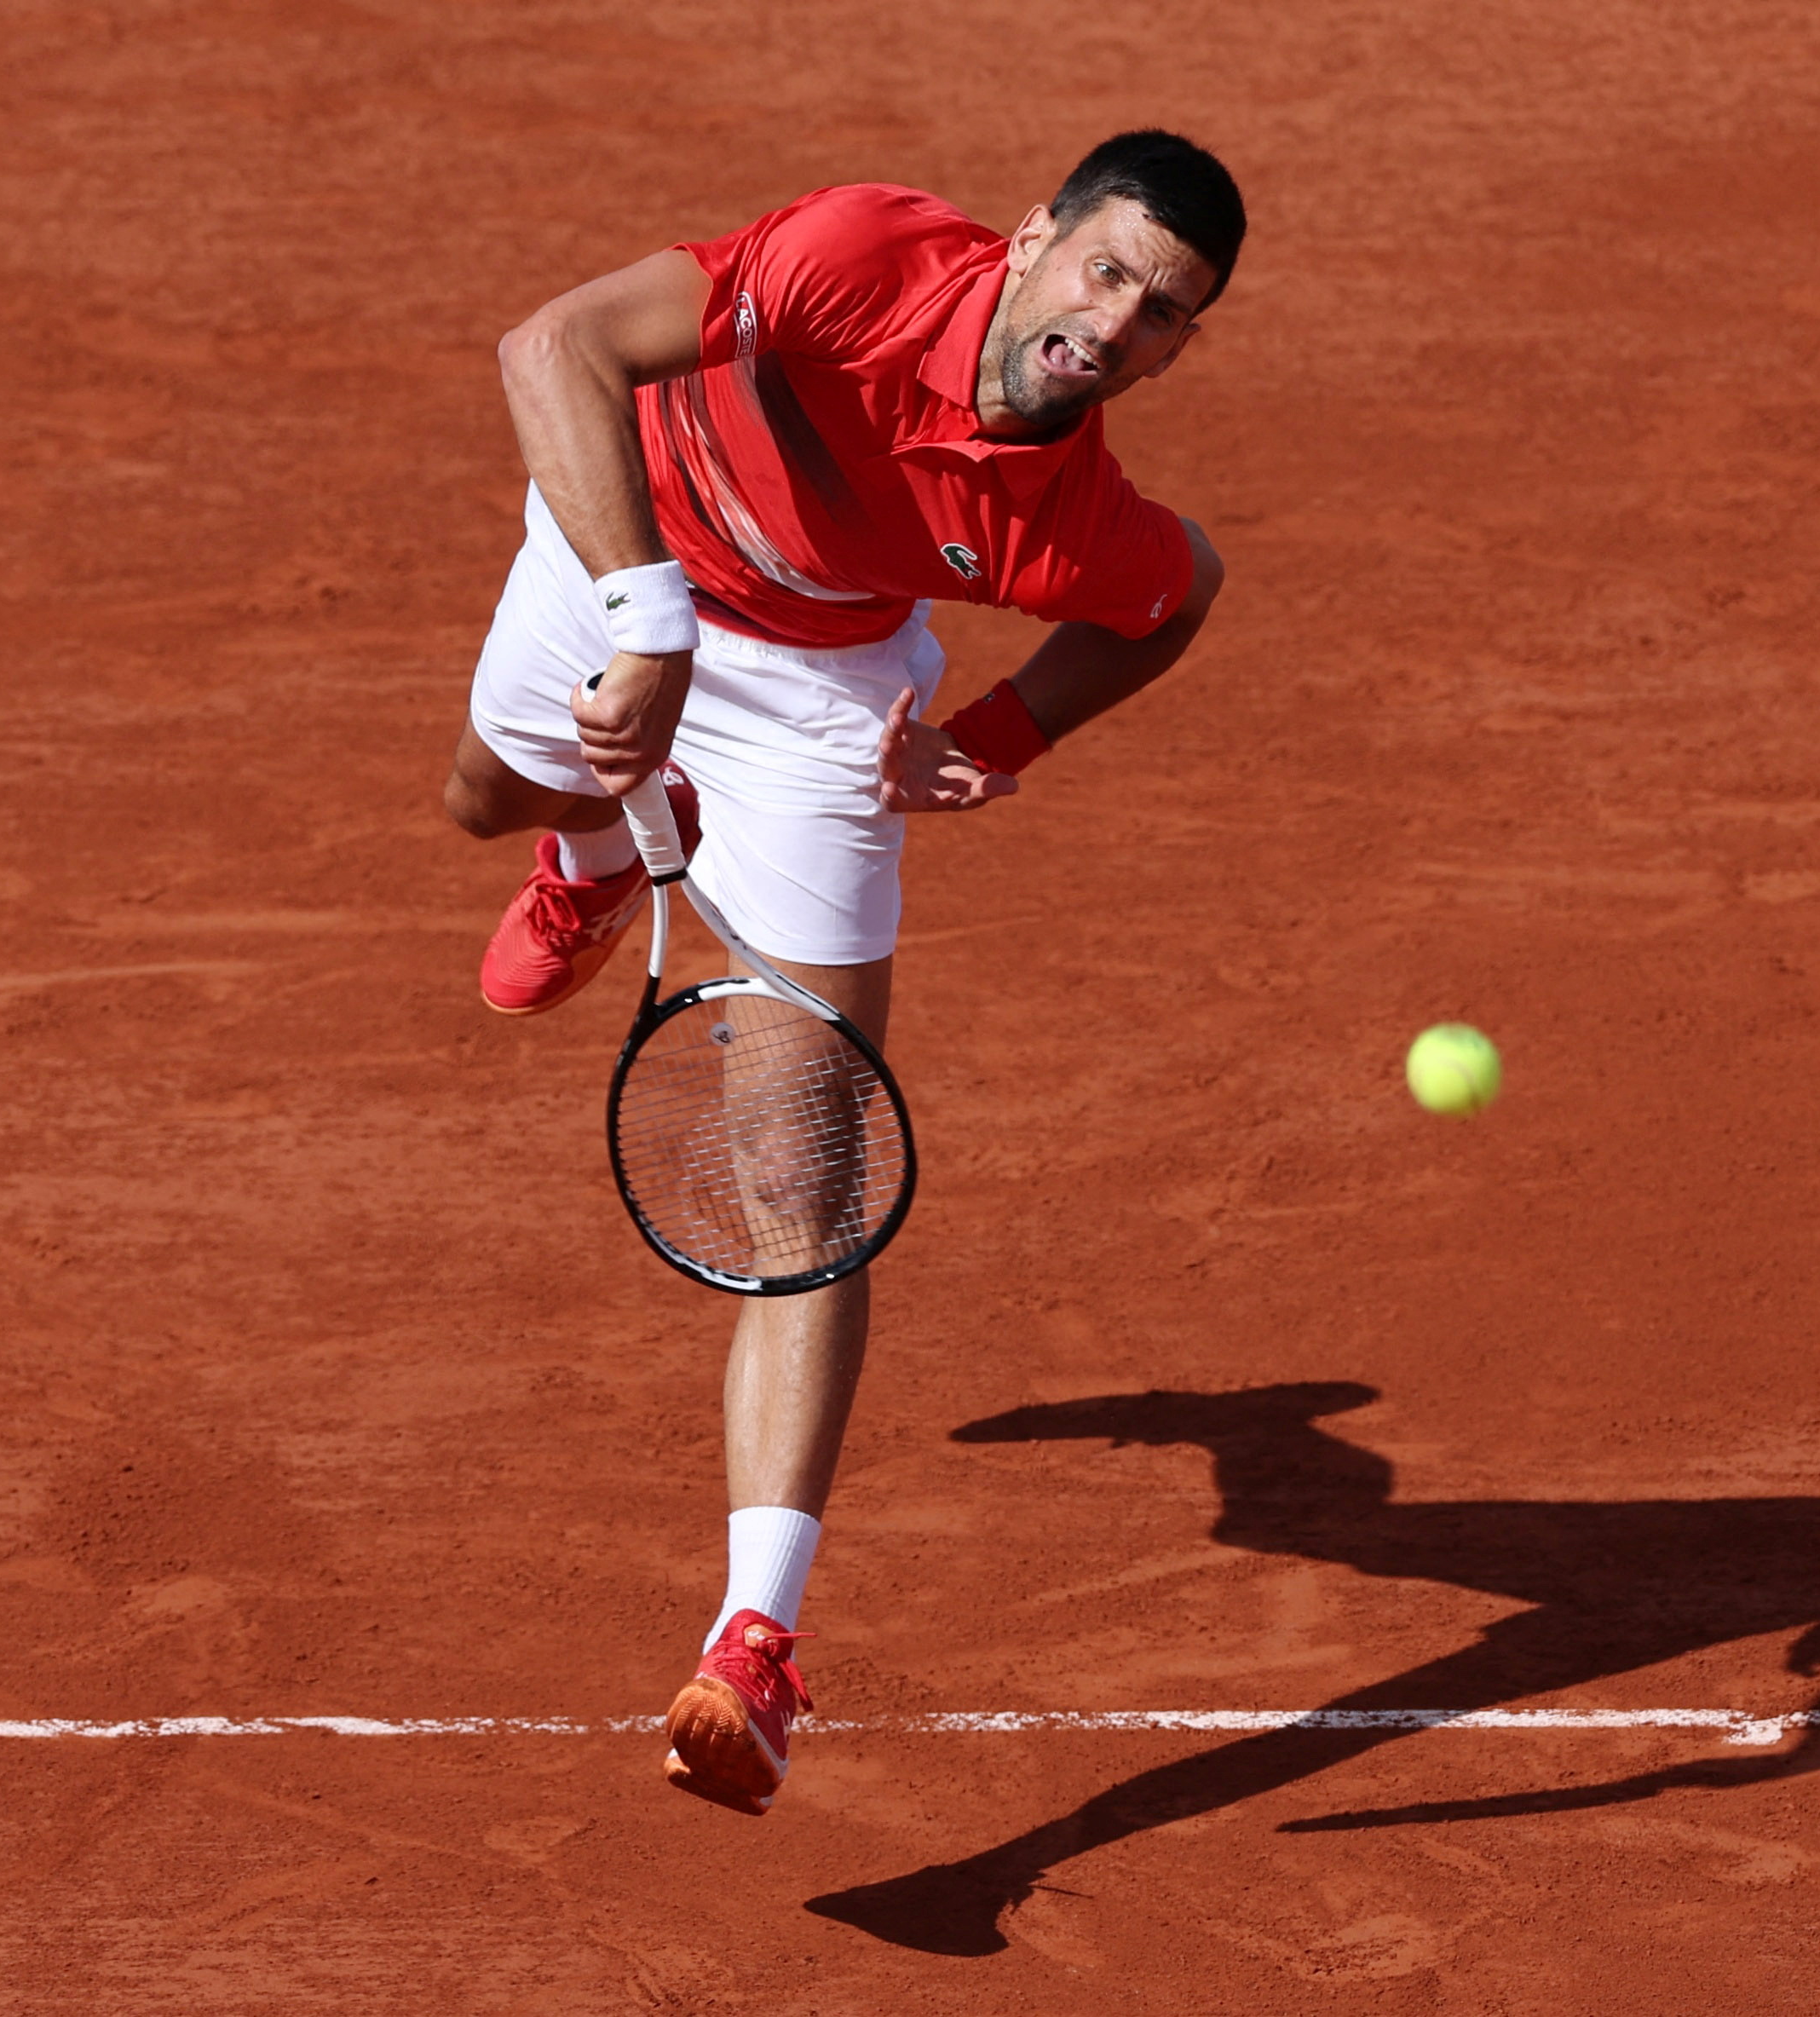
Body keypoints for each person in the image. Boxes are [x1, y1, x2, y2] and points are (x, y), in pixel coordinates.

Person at [438, 130, 1242, 1815]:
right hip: (624, 553)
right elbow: (552, 348)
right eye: (1103, 267)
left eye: (1159, 312)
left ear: (1178, 348)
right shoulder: (858, 253)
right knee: (486, 790)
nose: (1111, 322)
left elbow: (1177, 597)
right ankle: (588, 855)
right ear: (1032, 240)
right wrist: (647, 619)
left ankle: (753, 1637)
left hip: (820, 704)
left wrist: (993, 736)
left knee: (801, 1174)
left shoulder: (1064, 515)